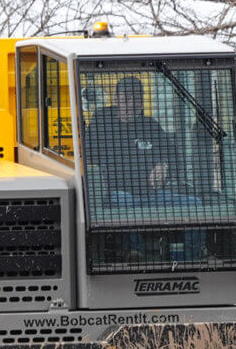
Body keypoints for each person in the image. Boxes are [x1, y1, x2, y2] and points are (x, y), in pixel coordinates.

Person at [85, 76, 205, 262]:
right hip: (117, 196)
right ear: (116, 100)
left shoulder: (150, 126)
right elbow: (88, 156)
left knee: (195, 204)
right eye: (125, 98)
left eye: (136, 98)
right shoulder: (101, 127)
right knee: (126, 205)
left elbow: (174, 156)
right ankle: (135, 253)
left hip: (152, 196)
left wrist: (164, 166)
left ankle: (192, 258)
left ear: (142, 101)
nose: (131, 103)